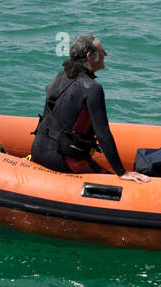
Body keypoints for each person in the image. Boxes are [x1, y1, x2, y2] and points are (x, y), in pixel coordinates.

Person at [31, 34, 149, 181]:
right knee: (111, 180)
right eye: (102, 50)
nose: (105, 54)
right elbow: (102, 133)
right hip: (61, 160)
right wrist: (122, 172)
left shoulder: (60, 76)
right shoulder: (92, 88)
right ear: (90, 56)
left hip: (38, 150)